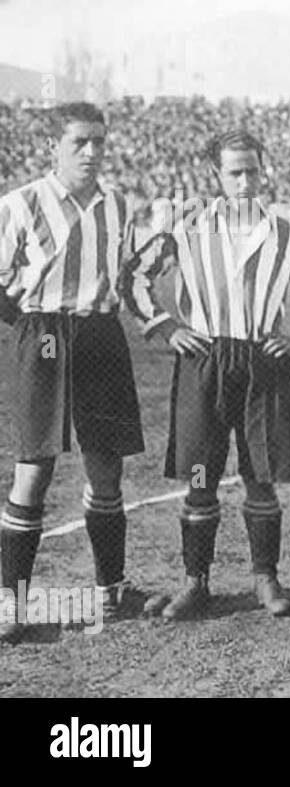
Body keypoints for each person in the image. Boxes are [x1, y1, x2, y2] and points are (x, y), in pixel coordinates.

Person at [121, 130, 290, 621]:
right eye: (234, 172)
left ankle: (266, 578)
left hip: (263, 360)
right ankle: (196, 582)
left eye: (252, 171)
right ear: (215, 175)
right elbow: (135, 275)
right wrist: (166, 326)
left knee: (261, 476)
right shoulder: (189, 227)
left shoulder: (287, 231)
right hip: (204, 360)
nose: (244, 181)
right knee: (200, 475)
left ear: (263, 172)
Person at [0, 102, 156, 644]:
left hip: (101, 334)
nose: (91, 153)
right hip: (43, 330)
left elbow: (129, 272)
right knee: (35, 466)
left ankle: (112, 590)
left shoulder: (117, 205)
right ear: (52, 148)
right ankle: (13, 602)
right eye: (79, 143)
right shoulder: (20, 205)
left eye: (98, 143)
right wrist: (28, 323)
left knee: (106, 466)